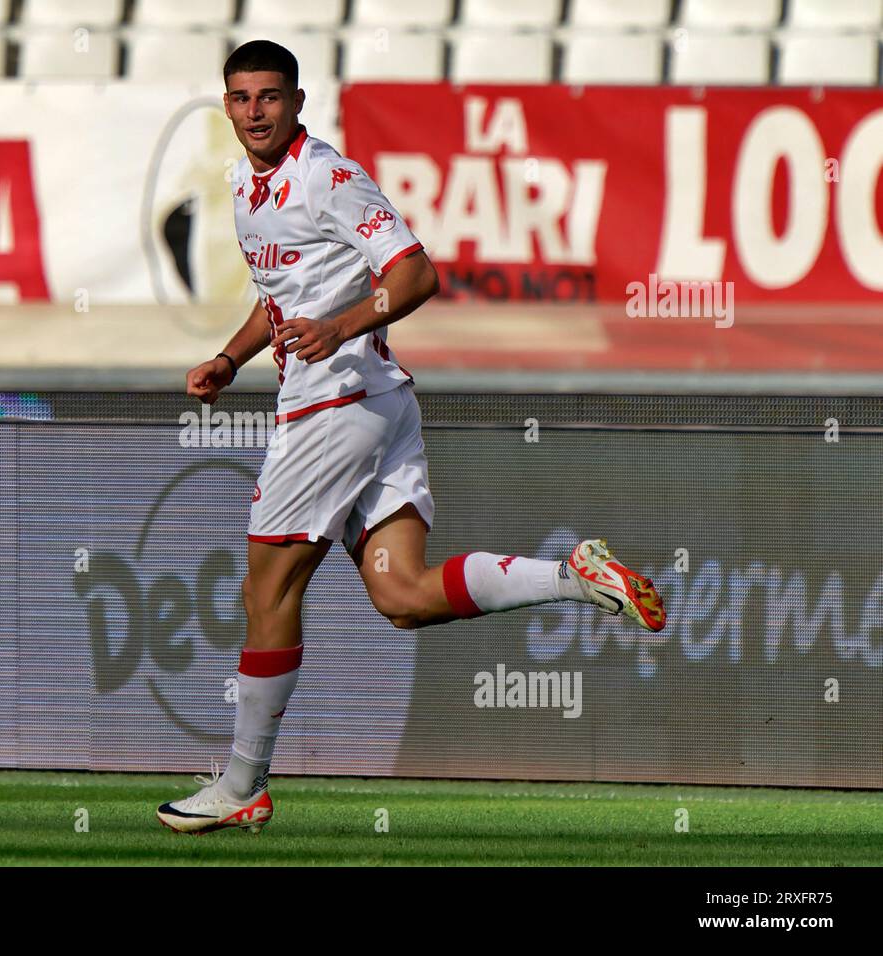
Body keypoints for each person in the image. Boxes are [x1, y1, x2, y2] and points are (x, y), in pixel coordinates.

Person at [156, 41, 665, 836]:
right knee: (401, 596)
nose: (255, 111)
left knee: (268, 590)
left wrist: (342, 325)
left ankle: (243, 783)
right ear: (226, 105)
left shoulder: (327, 176)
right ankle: (571, 576)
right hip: (379, 405)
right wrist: (230, 357)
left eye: (270, 96)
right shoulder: (246, 190)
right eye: (241, 97)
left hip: (335, 406)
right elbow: (279, 295)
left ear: (298, 101)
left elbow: (417, 272)